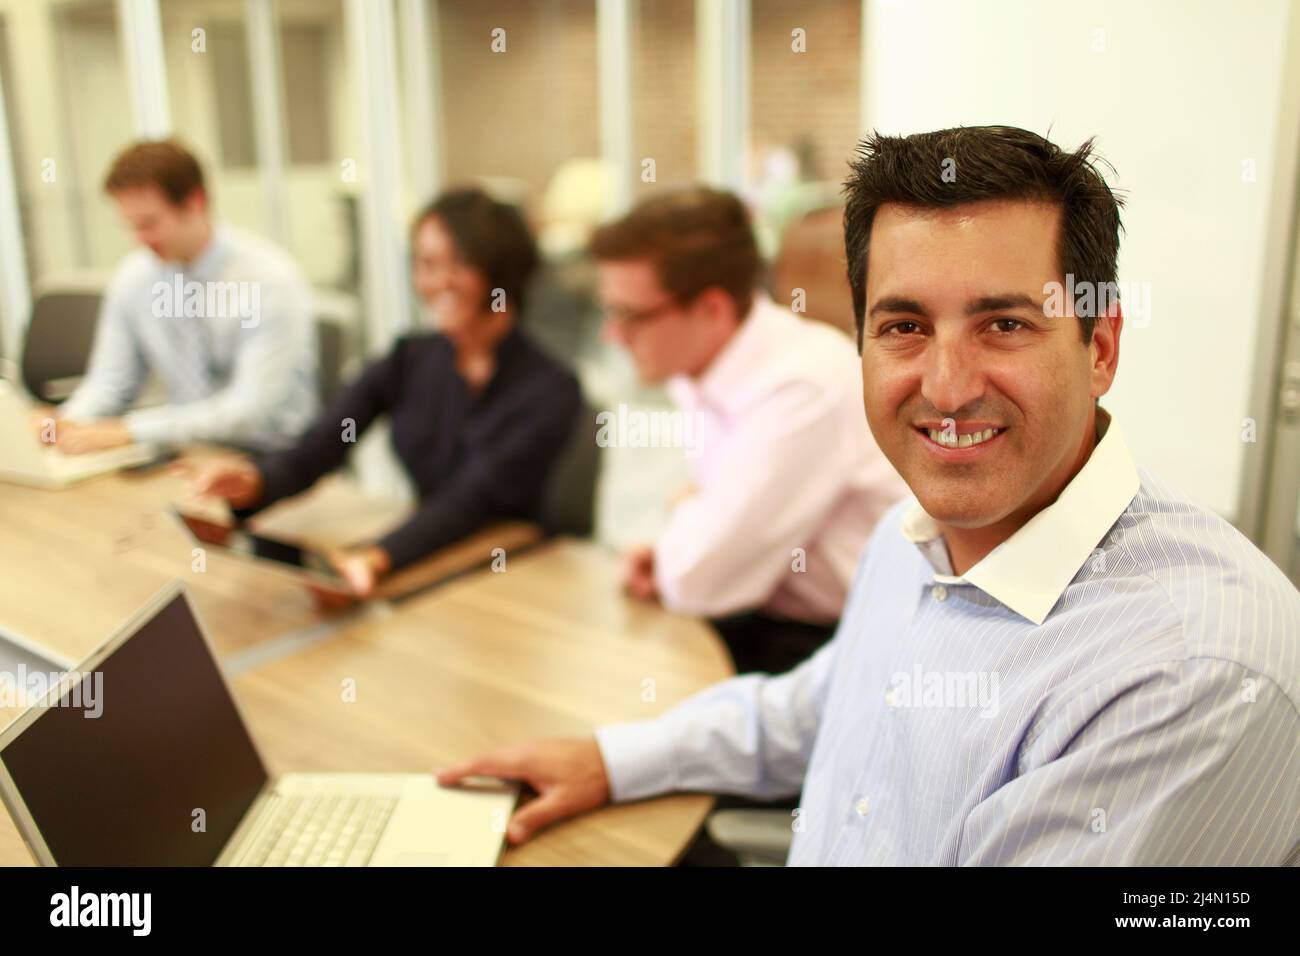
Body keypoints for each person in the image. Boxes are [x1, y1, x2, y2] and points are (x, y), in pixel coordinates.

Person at [438, 127, 1300, 865]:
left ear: (1100, 347)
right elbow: (816, 707)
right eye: (904, 327)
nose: (949, 387)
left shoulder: (1193, 675)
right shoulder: (913, 531)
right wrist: (609, 758)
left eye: (1004, 324)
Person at [181, 188, 582, 598]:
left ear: (501, 272)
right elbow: (326, 443)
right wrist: (255, 481)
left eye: (459, 263)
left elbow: (472, 499)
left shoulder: (552, 390)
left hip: (518, 572)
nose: (436, 282)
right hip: (432, 557)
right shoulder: (409, 359)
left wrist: (378, 556)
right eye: (425, 264)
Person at [590, 188, 907, 674]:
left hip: (838, 644)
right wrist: (681, 542)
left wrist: (688, 511)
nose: (611, 335)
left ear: (712, 309)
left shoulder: (800, 387)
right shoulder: (697, 368)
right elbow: (704, 552)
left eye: (630, 315)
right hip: (760, 612)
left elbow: (698, 579)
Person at [51, 139, 319, 453]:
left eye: (149, 224)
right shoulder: (134, 278)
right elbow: (111, 382)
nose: (140, 241)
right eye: (130, 227)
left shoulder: (269, 281)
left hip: (269, 458)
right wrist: (68, 423)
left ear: (195, 202)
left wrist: (133, 430)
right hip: (182, 451)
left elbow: (250, 412)